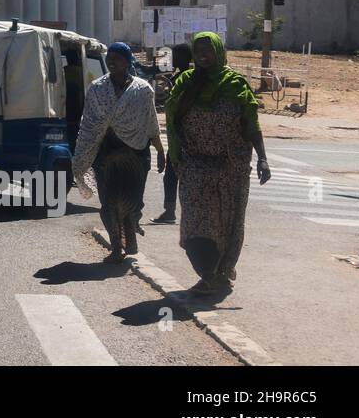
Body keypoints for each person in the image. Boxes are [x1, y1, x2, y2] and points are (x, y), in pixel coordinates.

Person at [164, 32, 271, 295]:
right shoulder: (185, 82)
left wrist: (263, 158)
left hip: (230, 170)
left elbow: (251, 124)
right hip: (194, 169)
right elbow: (172, 119)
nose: (202, 55)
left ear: (219, 52)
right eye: (198, 50)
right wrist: (172, 155)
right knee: (195, 226)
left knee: (228, 224)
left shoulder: (235, 85)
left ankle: (221, 272)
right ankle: (208, 273)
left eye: (208, 49)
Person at [72, 42, 165, 263]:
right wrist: (82, 153)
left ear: (128, 61)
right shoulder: (96, 88)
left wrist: (161, 151)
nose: (112, 61)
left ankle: (130, 236)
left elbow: (151, 124)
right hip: (105, 158)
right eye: (109, 57)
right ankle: (116, 247)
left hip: (134, 157)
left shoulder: (142, 90)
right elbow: (89, 123)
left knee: (131, 204)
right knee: (108, 205)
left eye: (118, 58)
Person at [152, 42, 195, 224]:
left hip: (185, 137)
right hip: (177, 137)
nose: (173, 59)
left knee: (176, 177)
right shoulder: (178, 76)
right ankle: (171, 212)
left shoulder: (187, 78)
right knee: (172, 176)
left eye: (176, 56)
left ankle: (176, 213)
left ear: (185, 58)